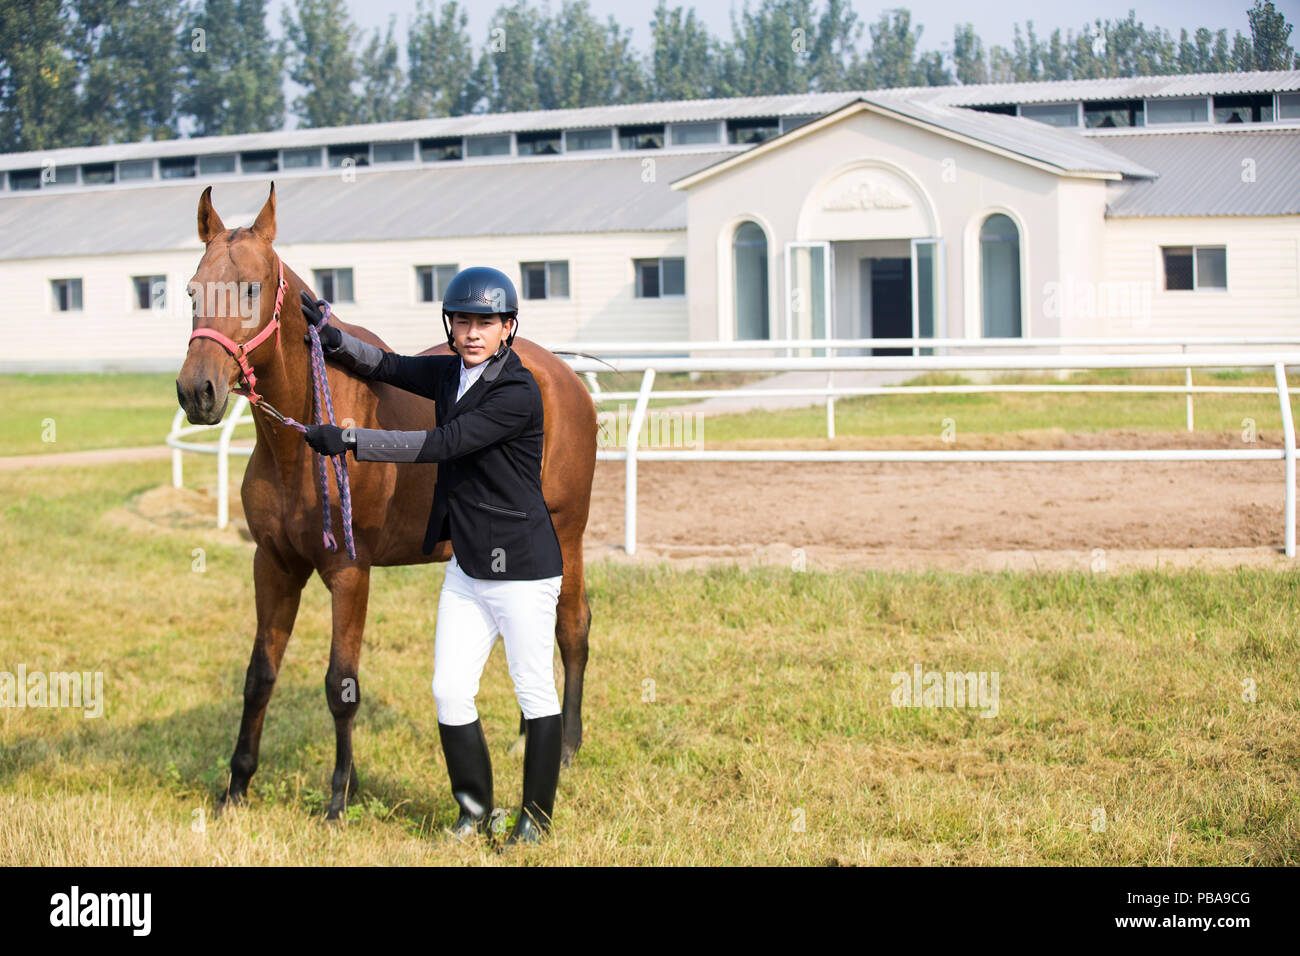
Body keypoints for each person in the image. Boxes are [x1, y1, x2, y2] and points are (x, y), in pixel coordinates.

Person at [300, 266, 565, 847]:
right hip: (468, 567)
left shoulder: (517, 391)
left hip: (523, 567)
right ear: (451, 326)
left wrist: (348, 440)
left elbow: (440, 444)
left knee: (535, 690)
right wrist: (333, 336)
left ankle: (536, 822)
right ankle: (474, 812)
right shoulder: (451, 373)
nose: (473, 333)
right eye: (464, 321)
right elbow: (389, 366)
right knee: (449, 690)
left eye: (486, 323)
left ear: (508, 329)